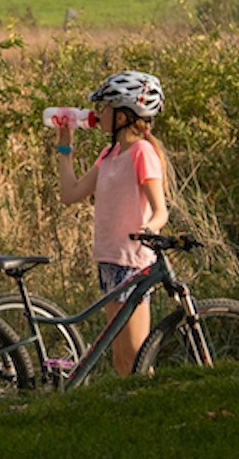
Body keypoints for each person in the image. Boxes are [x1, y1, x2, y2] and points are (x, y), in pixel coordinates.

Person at [55, 70, 171, 377]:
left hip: (132, 262)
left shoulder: (142, 152)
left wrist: (150, 230)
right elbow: (71, 193)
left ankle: (150, 412)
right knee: (121, 362)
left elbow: (161, 209)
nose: (99, 114)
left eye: (106, 107)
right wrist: (65, 148)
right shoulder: (109, 154)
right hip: (108, 260)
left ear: (124, 114)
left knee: (136, 360)